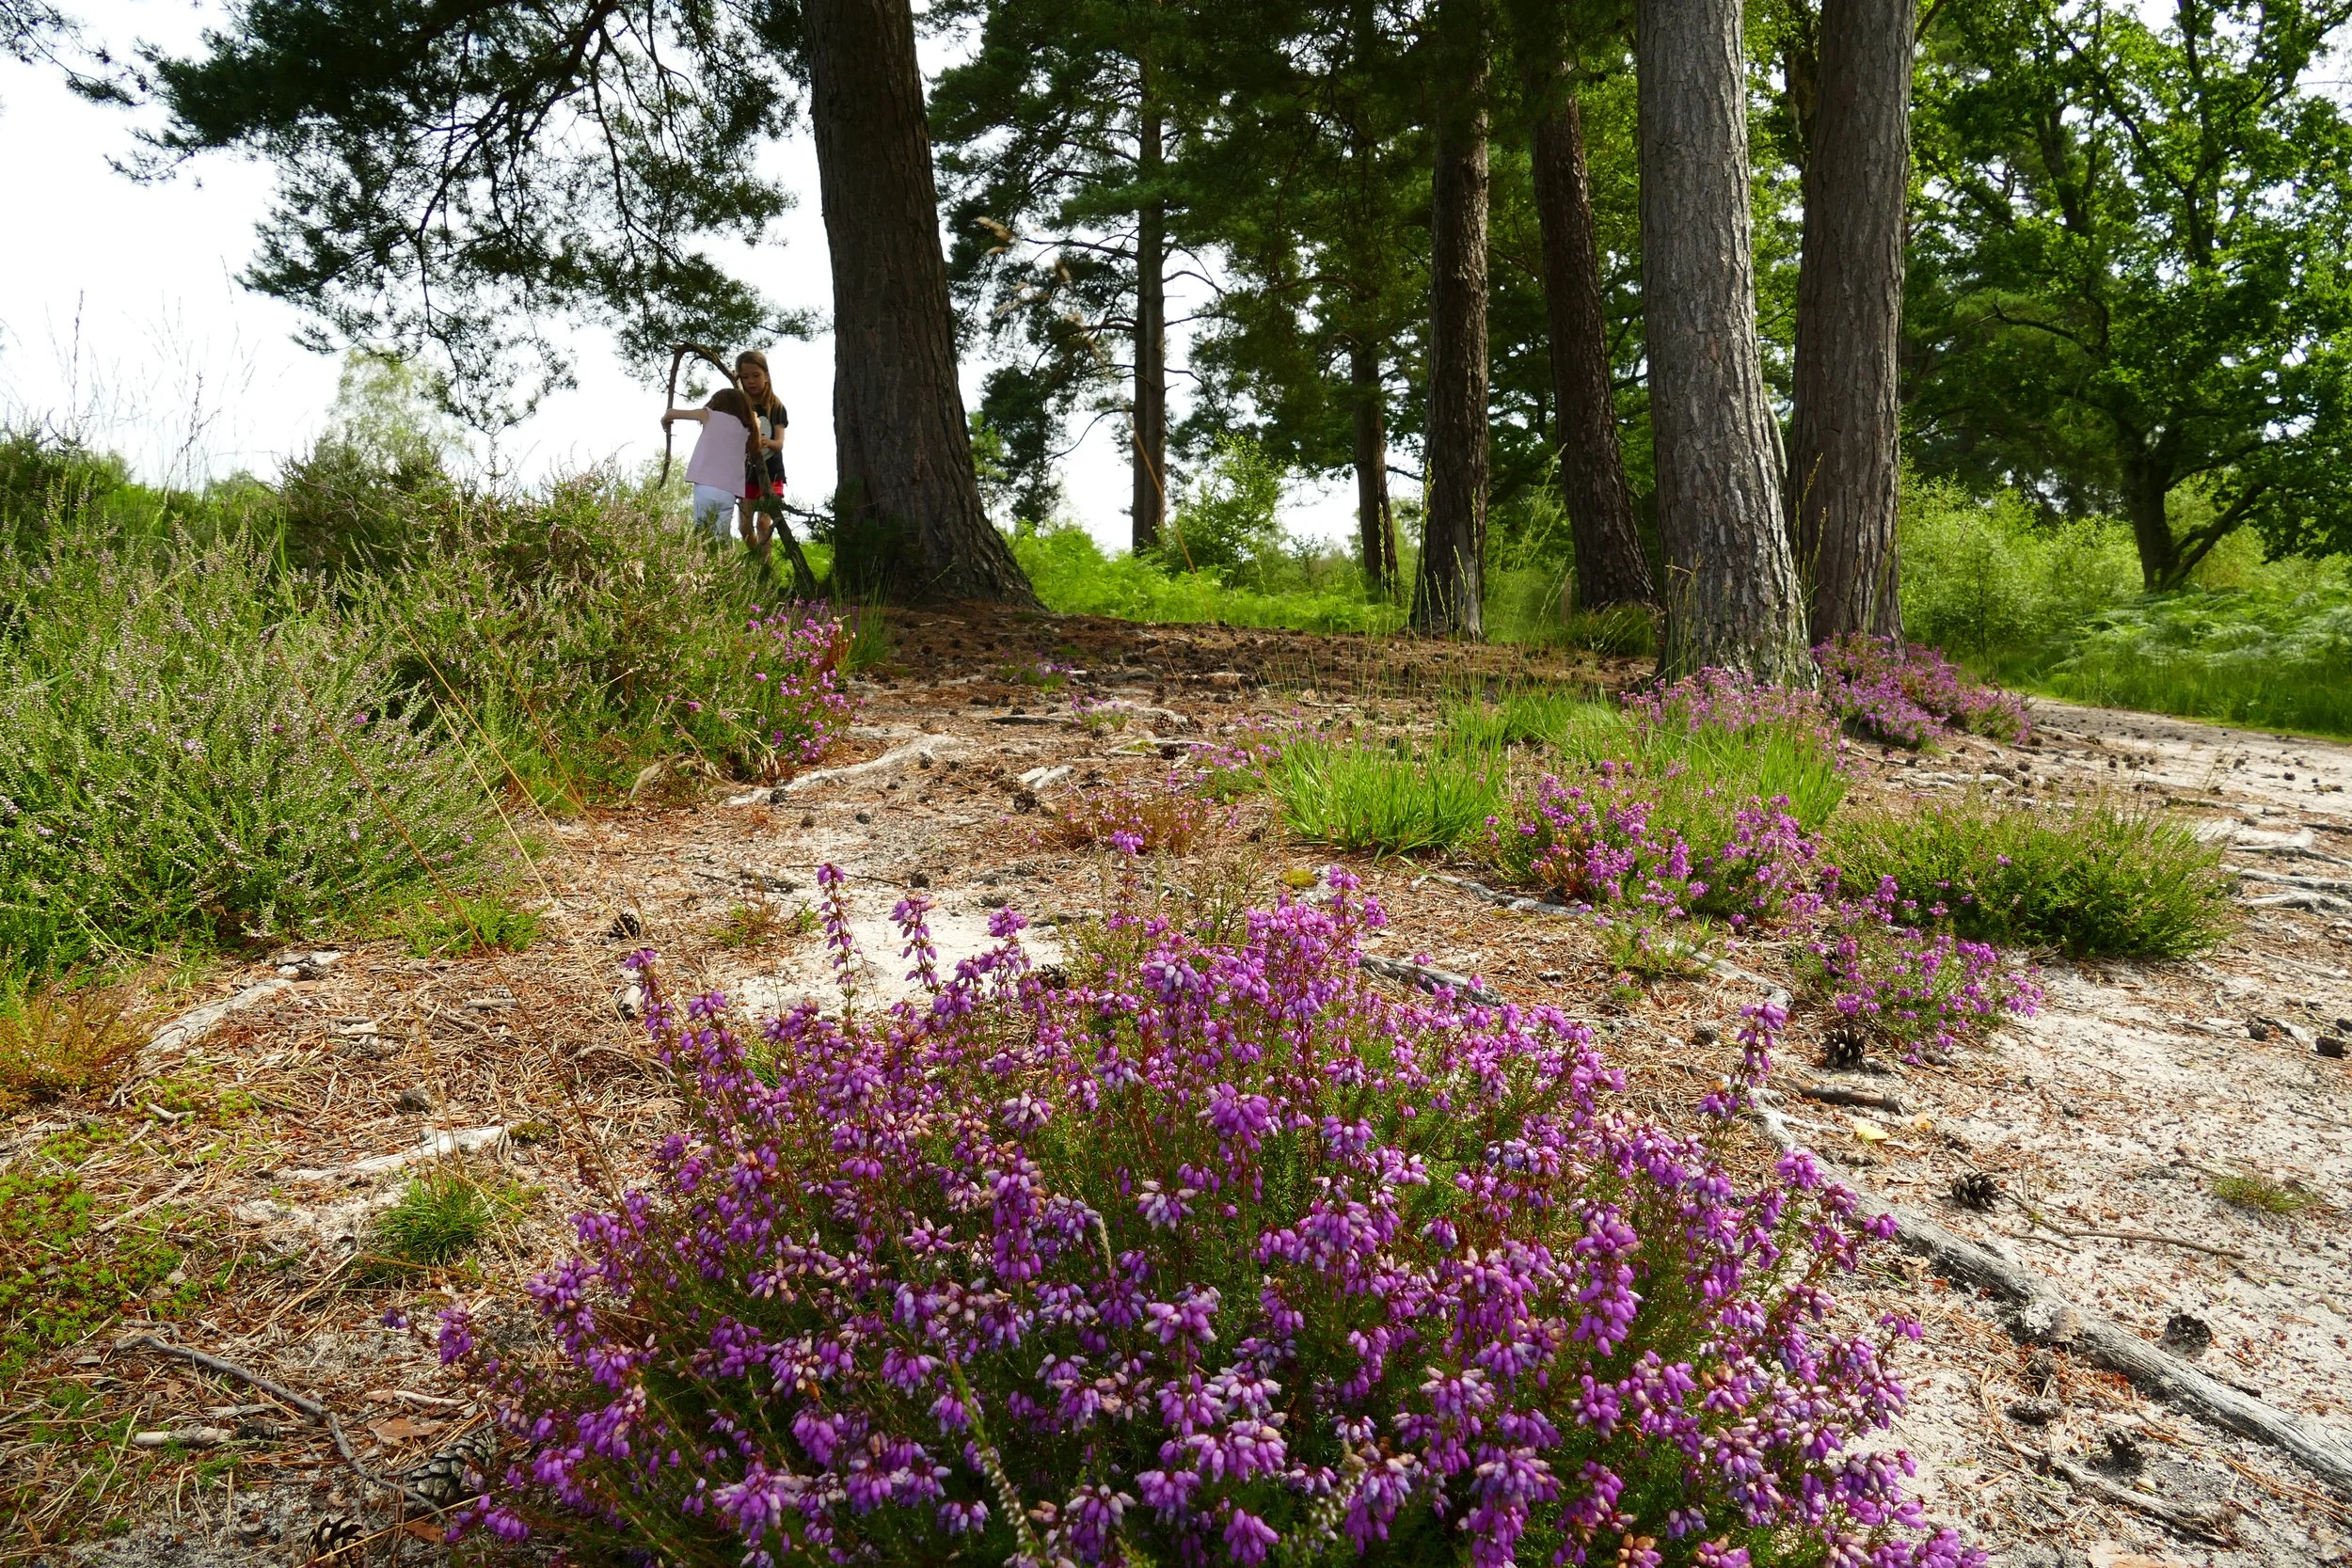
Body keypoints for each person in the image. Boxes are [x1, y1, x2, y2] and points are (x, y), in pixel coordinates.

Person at [663, 385, 757, 543]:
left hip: (705, 486)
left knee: (701, 534)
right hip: (729, 493)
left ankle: (698, 557)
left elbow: (671, 413)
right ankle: (719, 558)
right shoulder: (748, 428)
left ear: (716, 403)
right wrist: (753, 416)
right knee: (720, 539)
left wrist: (664, 420)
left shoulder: (709, 415)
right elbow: (756, 421)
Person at [734, 350, 787, 554]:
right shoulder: (740, 407)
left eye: (756, 375)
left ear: (766, 375)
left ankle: (766, 567)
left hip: (772, 472)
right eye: (745, 377)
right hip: (747, 473)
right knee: (744, 527)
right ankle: (757, 560)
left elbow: (779, 444)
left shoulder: (776, 406)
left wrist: (767, 442)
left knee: (764, 524)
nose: (751, 381)